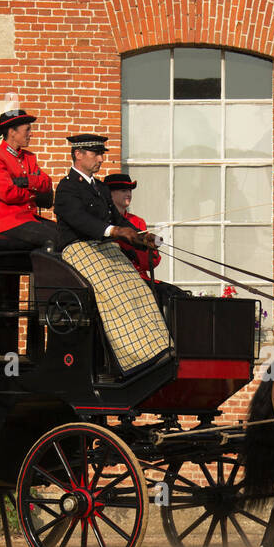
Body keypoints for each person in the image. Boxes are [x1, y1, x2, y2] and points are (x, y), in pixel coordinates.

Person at [53, 134, 172, 375]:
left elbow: (118, 221)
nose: (100, 159)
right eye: (96, 154)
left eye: (101, 154)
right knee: (114, 290)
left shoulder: (100, 189)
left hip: (105, 247)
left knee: (139, 288)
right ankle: (135, 358)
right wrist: (114, 231)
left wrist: (142, 239)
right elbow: (80, 221)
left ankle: (160, 349)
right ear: (78, 154)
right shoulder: (66, 188)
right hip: (79, 249)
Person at [104, 171, 191, 302]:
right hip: (117, 278)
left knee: (176, 295)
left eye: (130, 191)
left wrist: (150, 249)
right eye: (123, 190)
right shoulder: (103, 222)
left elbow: (152, 262)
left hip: (139, 277)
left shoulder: (138, 221)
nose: (128, 194)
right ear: (110, 194)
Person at [0, 108, 61, 248]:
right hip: (10, 222)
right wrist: (34, 193)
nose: (31, 134)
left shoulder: (29, 158)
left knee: (67, 235)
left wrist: (25, 182)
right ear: (12, 132)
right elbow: (7, 194)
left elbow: (47, 184)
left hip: (30, 219)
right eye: (27, 130)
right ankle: (42, 270)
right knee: (53, 238)